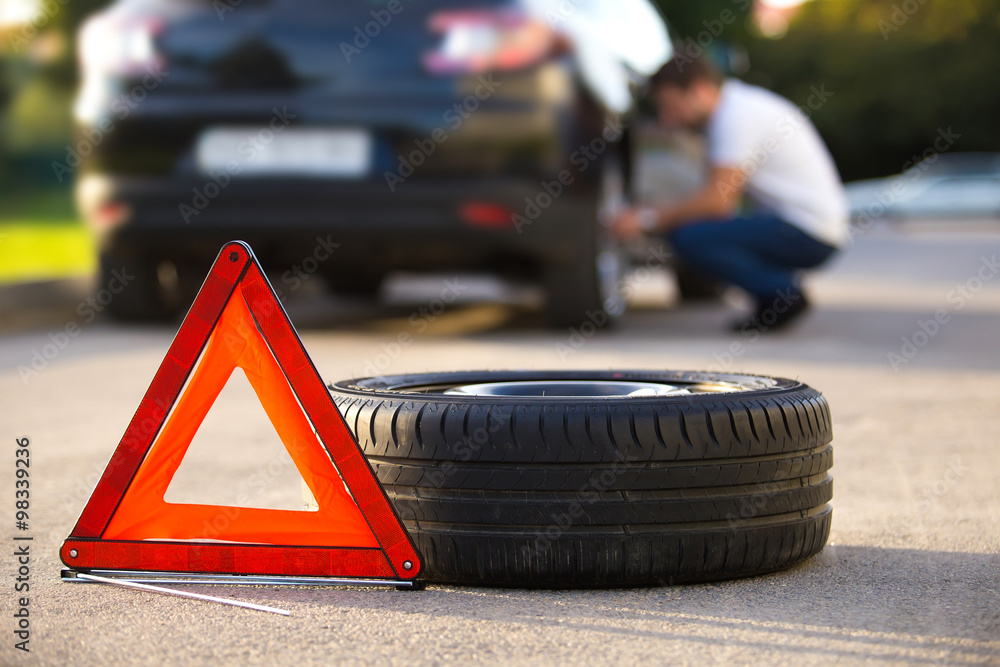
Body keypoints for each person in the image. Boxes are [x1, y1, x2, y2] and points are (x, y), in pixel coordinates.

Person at [613, 55, 849, 333]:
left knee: (690, 237)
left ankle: (781, 293)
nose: (667, 119)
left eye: (671, 106)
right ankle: (773, 296)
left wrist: (646, 218)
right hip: (809, 226)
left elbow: (717, 202)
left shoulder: (734, 117)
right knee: (699, 229)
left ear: (700, 90)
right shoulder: (739, 107)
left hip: (808, 231)